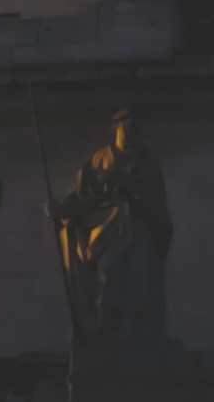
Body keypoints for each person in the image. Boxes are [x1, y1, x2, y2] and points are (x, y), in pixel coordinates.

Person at [52, 106, 172, 343]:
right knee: (107, 274)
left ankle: (133, 330)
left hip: (139, 225)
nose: (132, 132)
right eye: (128, 127)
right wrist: (62, 209)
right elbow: (79, 194)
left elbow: (157, 196)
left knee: (139, 279)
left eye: (135, 127)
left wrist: (132, 190)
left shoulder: (146, 160)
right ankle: (103, 328)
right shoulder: (100, 159)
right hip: (108, 227)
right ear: (116, 127)